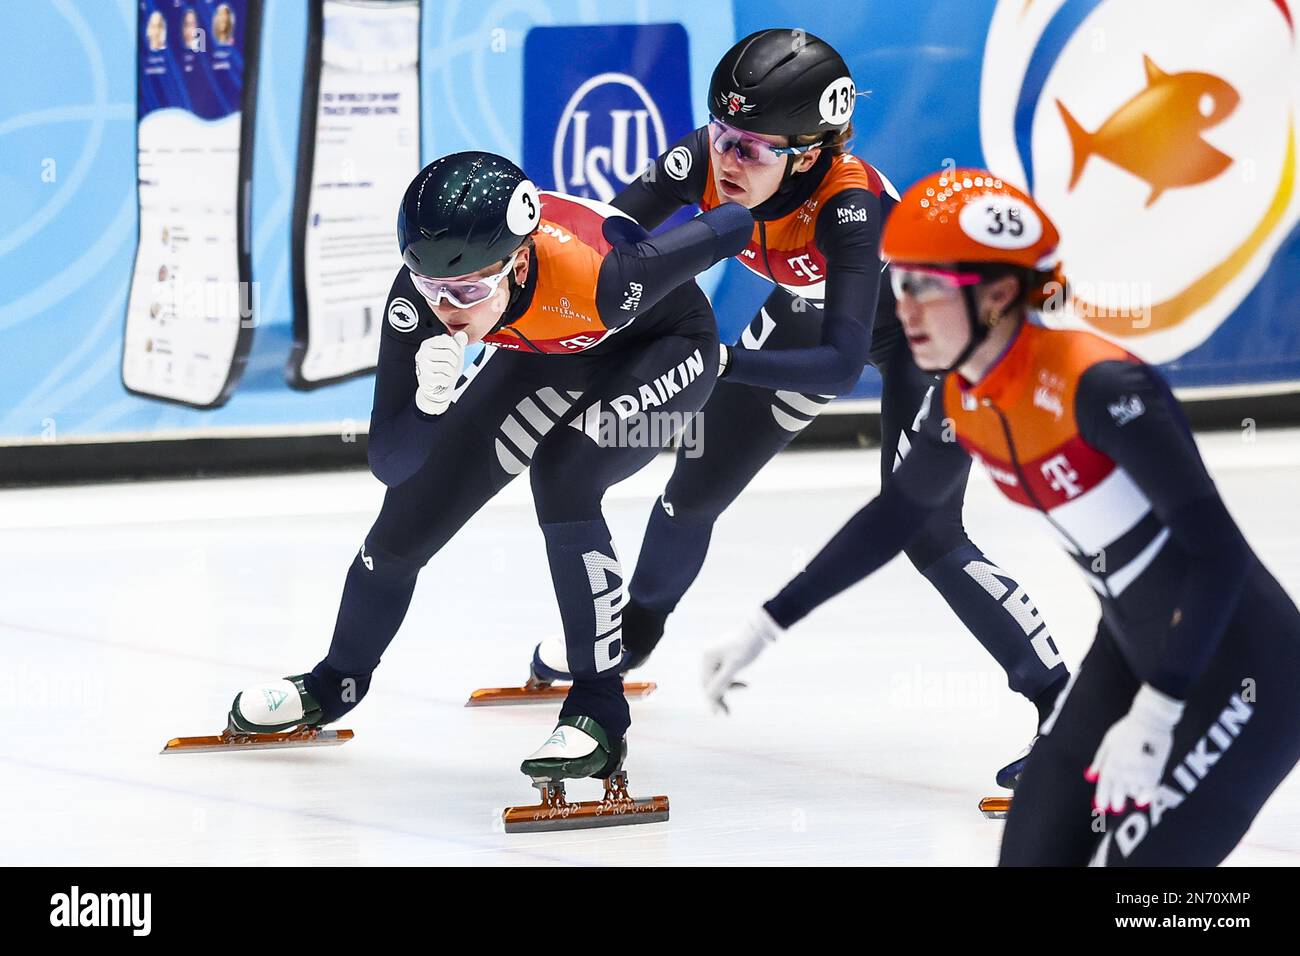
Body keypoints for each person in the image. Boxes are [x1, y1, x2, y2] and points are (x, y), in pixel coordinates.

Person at [703, 167, 1300, 866]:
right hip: (1129, 649)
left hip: (1245, 667)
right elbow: (898, 512)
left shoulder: (1101, 386)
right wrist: (766, 624)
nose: (905, 309)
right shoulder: (962, 396)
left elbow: (1218, 554)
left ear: (997, 295)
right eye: (902, 283)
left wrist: (1160, 709)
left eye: (928, 286)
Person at [525, 29, 1067, 785]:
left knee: (930, 534)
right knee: (692, 489)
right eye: (721, 133)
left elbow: (844, 365)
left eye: (750, 147)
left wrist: (722, 362)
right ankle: (636, 631)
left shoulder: (849, 207)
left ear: (808, 152)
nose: (725, 157)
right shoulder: (707, 157)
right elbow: (605, 240)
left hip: (931, 344)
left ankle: (1061, 705)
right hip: (808, 313)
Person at [226, 152, 752, 792]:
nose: (448, 311)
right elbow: (390, 462)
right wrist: (426, 405)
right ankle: (337, 679)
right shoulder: (421, 296)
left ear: (520, 260)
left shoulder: (609, 278)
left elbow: (730, 227)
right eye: (432, 290)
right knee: (412, 512)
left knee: (566, 475)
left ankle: (598, 710)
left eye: (468, 290)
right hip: (548, 350)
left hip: (666, 349)